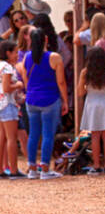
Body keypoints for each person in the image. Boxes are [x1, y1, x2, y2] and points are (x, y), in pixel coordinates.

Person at [22, 25, 69, 179]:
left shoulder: (26, 57)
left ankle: (32, 168)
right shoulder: (54, 57)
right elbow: (61, 82)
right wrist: (65, 101)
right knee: (48, 134)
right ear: (46, 39)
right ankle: (45, 168)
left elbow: (26, 81)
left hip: (32, 99)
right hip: (50, 98)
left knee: (33, 134)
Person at [77, 46, 105, 174]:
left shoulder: (85, 72)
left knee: (95, 136)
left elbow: (80, 92)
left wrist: (89, 88)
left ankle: (96, 165)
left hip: (92, 104)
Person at [0, 40, 23, 178]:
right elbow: (7, 88)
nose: (17, 54)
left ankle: (1, 170)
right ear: (8, 53)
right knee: (11, 138)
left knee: (2, 138)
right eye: (15, 52)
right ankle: (14, 170)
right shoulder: (7, 67)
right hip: (8, 104)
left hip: (0, 103)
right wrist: (18, 85)